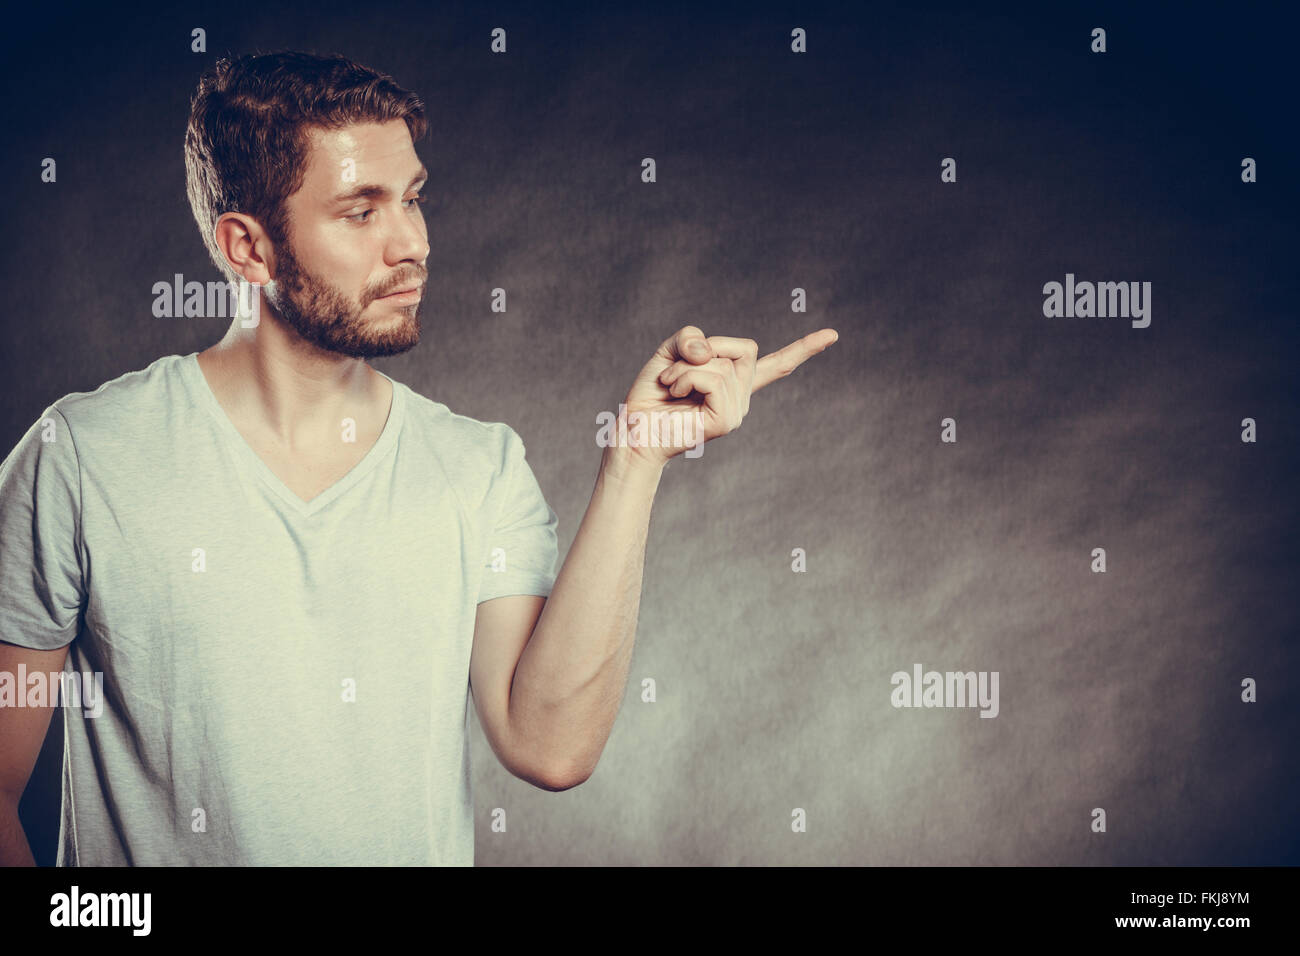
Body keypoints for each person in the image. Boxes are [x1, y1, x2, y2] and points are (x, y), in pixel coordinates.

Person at [0, 50, 837, 866]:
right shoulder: (83, 458)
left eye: (413, 199)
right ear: (246, 249)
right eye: (362, 211)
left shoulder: (479, 467)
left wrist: (638, 459)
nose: (413, 244)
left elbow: (549, 747)